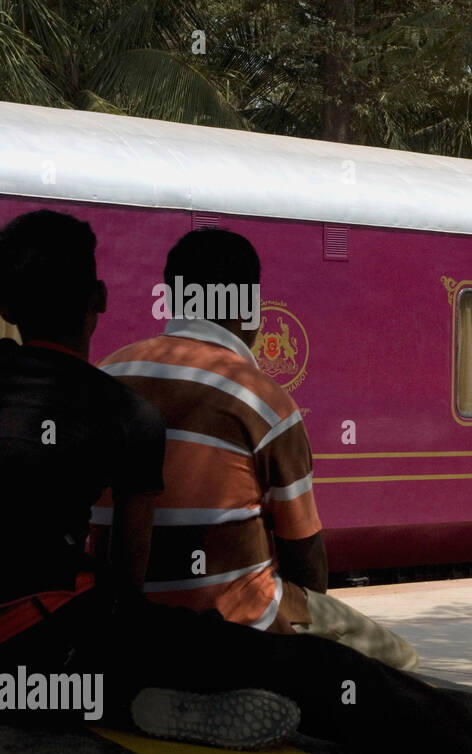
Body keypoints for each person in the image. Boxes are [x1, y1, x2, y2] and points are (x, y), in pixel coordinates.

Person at [0, 208, 472, 754]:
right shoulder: (124, 411)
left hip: (40, 667)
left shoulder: (118, 385)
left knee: (96, 661)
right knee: (339, 671)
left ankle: (132, 701)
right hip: (75, 640)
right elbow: (127, 589)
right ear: (95, 298)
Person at [87, 228, 416, 670]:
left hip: (118, 621)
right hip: (239, 624)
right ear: (249, 308)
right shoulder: (265, 401)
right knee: (400, 661)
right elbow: (304, 558)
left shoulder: (103, 378)